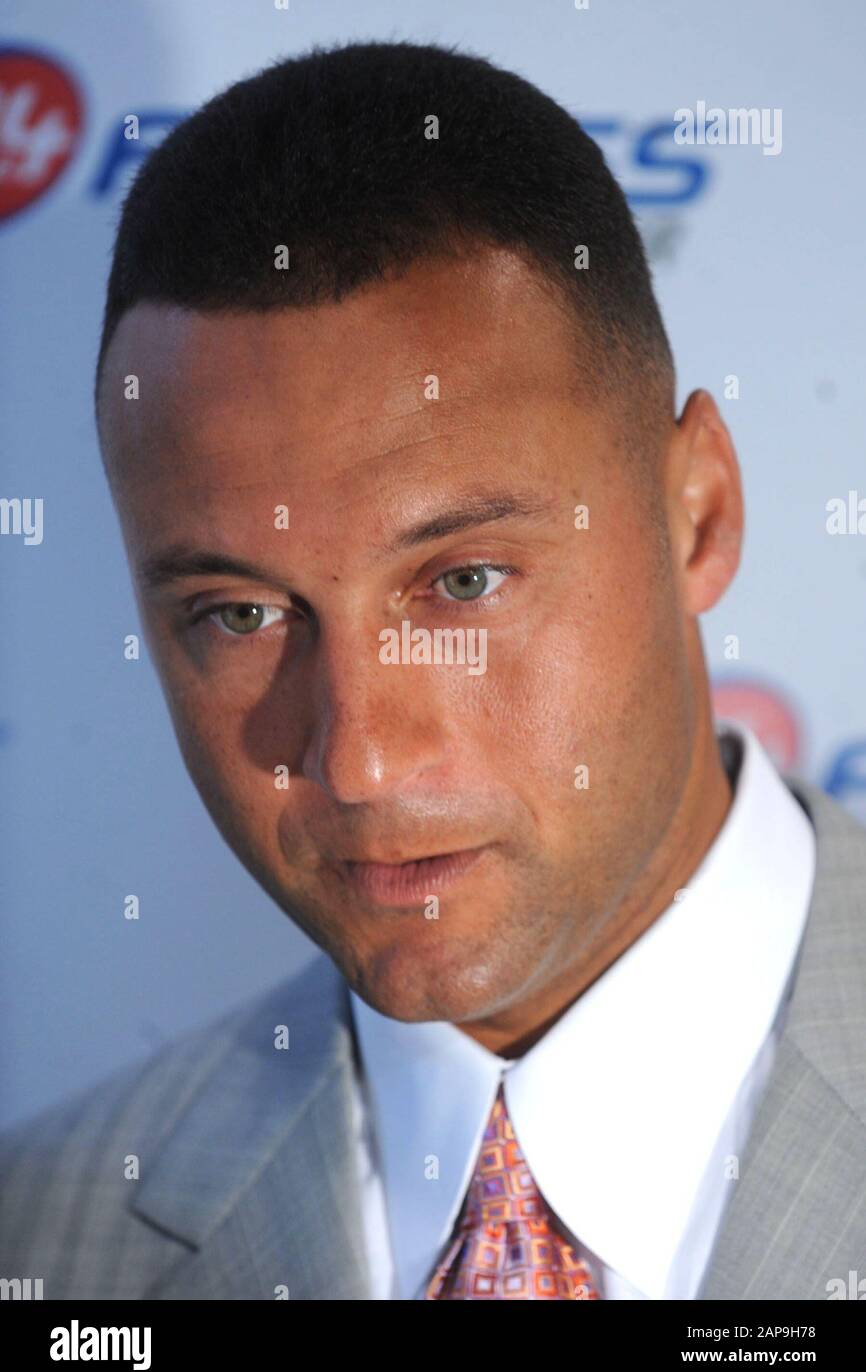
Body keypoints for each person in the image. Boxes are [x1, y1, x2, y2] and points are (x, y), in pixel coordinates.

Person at [2, 39, 864, 1302]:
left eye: (461, 582)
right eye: (239, 613)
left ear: (697, 512)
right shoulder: (44, 1240)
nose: (358, 756)